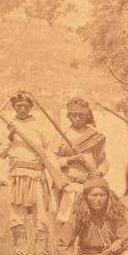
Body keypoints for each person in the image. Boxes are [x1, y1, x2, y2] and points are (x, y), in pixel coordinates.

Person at [0, 90, 57, 255]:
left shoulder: (40, 125)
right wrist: (10, 136)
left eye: (25, 106)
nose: (22, 109)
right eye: (18, 106)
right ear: (14, 106)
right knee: (17, 219)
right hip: (17, 176)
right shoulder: (8, 125)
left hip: (37, 177)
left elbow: (50, 151)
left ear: (30, 106)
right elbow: (0, 153)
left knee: (42, 219)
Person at [54, 177, 128, 255]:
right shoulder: (78, 215)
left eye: (102, 195)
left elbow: (126, 240)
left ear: (108, 196)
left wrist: (118, 245)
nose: (98, 199)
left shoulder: (116, 213)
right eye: (93, 195)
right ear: (86, 197)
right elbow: (60, 245)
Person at [54, 96, 109, 228]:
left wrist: (99, 173)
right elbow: (51, 160)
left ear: (87, 116)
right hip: (68, 184)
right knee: (67, 223)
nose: (77, 118)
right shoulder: (61, 134)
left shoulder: (96, 136)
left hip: (89, 185)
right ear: (69, 116)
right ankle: (65, 249)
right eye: (73, 115)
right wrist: (68, 160)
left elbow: (103, 161)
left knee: (88, 223)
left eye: (81, 115)